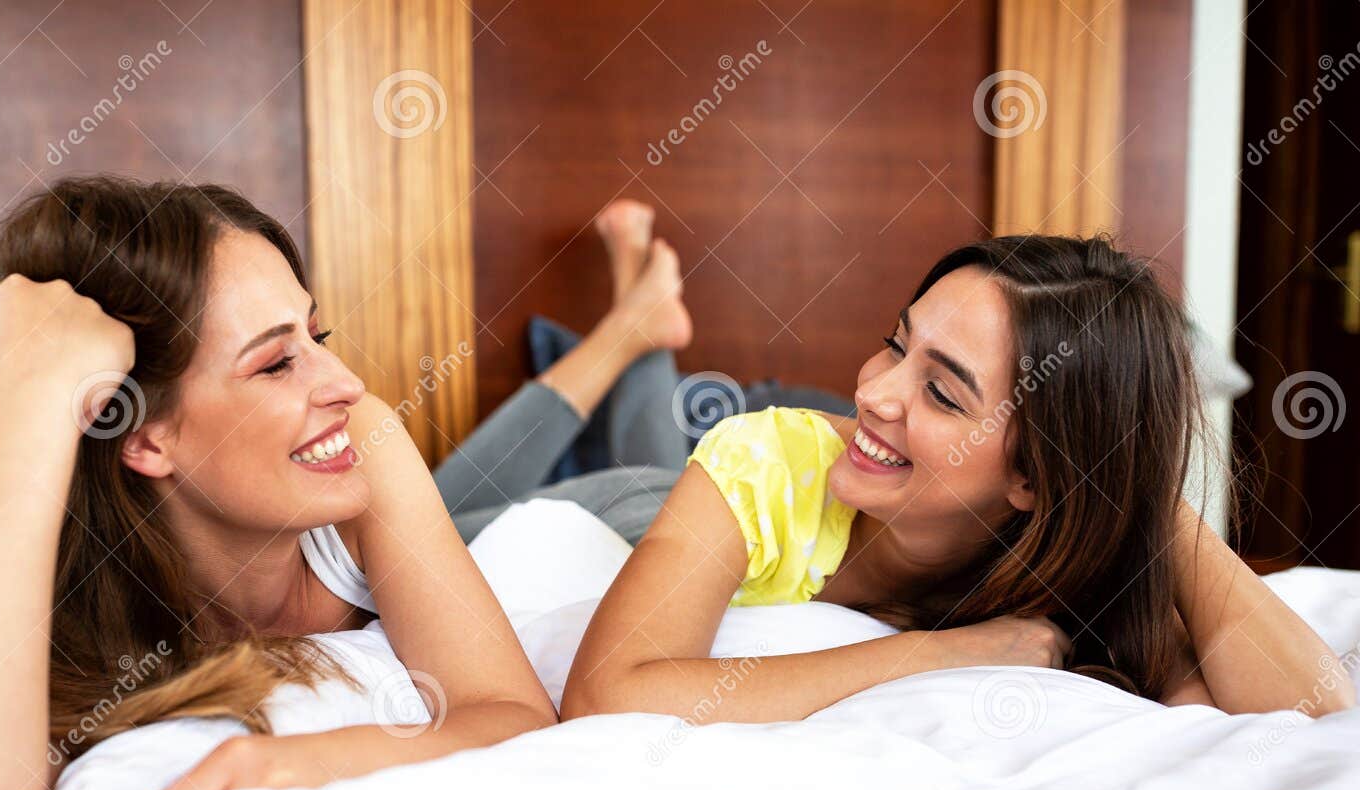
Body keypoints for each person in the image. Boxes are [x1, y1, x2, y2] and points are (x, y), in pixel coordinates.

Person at [0, 176, 568, 790]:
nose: (346, 382)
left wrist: (305, 762)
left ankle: (625, 336)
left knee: (548, 490)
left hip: (594, 508)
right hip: (374, 505)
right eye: (277, 362)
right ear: (141, 438)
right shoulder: (50, 591)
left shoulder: (365, 434)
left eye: (317, 333)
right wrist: (26, 390)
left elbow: (515, 716)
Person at [549, 209, 1354, 720]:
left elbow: (1318, 710)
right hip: (626, 503)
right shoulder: (761, 461)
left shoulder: (1071, 558)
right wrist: (943, 653)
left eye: (940, 389)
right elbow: (607, 694)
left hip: (951, 477)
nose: (872, 389)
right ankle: (634, 320)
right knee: (640, 449)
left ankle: (643, 319)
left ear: (1038, 479)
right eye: (896, 343)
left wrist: (1143, 489)